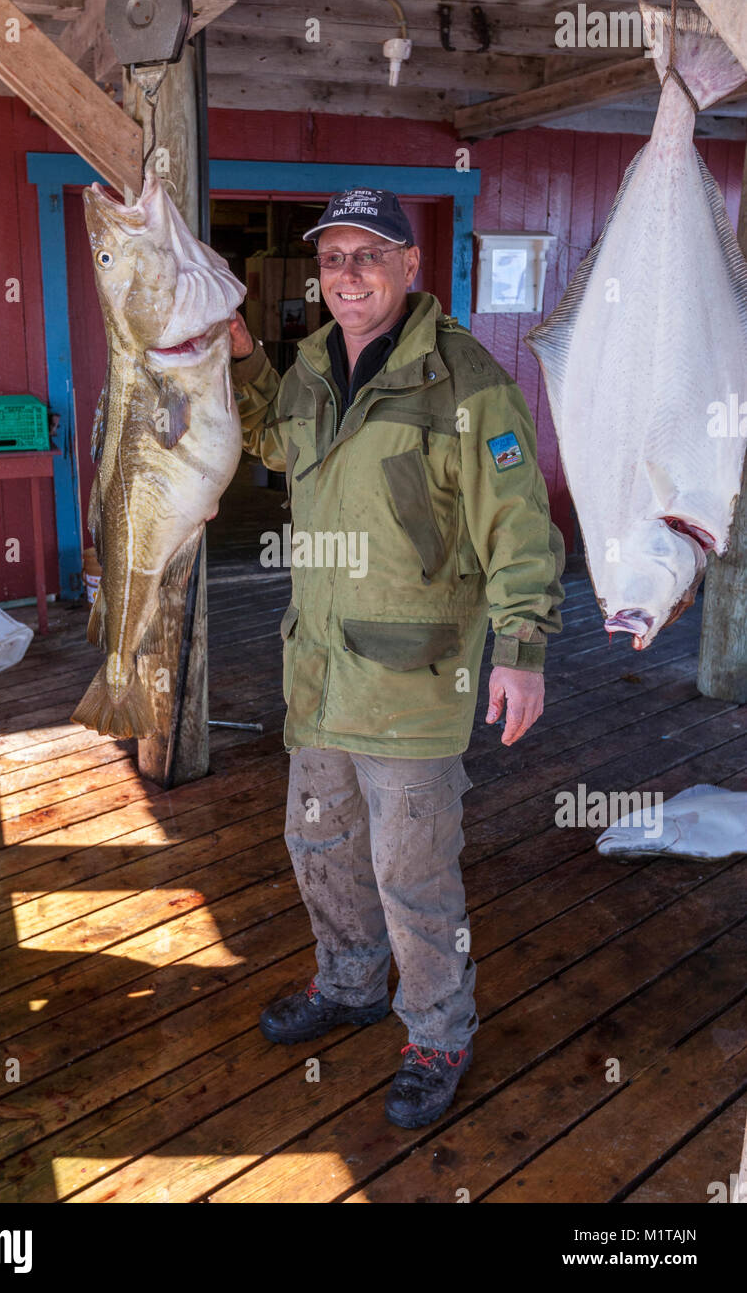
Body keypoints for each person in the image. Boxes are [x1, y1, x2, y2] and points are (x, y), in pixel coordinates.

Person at [227, 187, 565, 1128]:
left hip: (417, 681)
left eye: (367, 255)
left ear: (411, 267)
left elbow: (519, 528)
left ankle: (438, 1032)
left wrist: (522, 648)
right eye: (333, 258)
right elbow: (271, 441)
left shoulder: (466, 382)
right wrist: (246, 355)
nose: (347, 275)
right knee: (320, 846)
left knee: (412, 874)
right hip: (321, 672)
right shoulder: (309, 367)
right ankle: (349, 984)